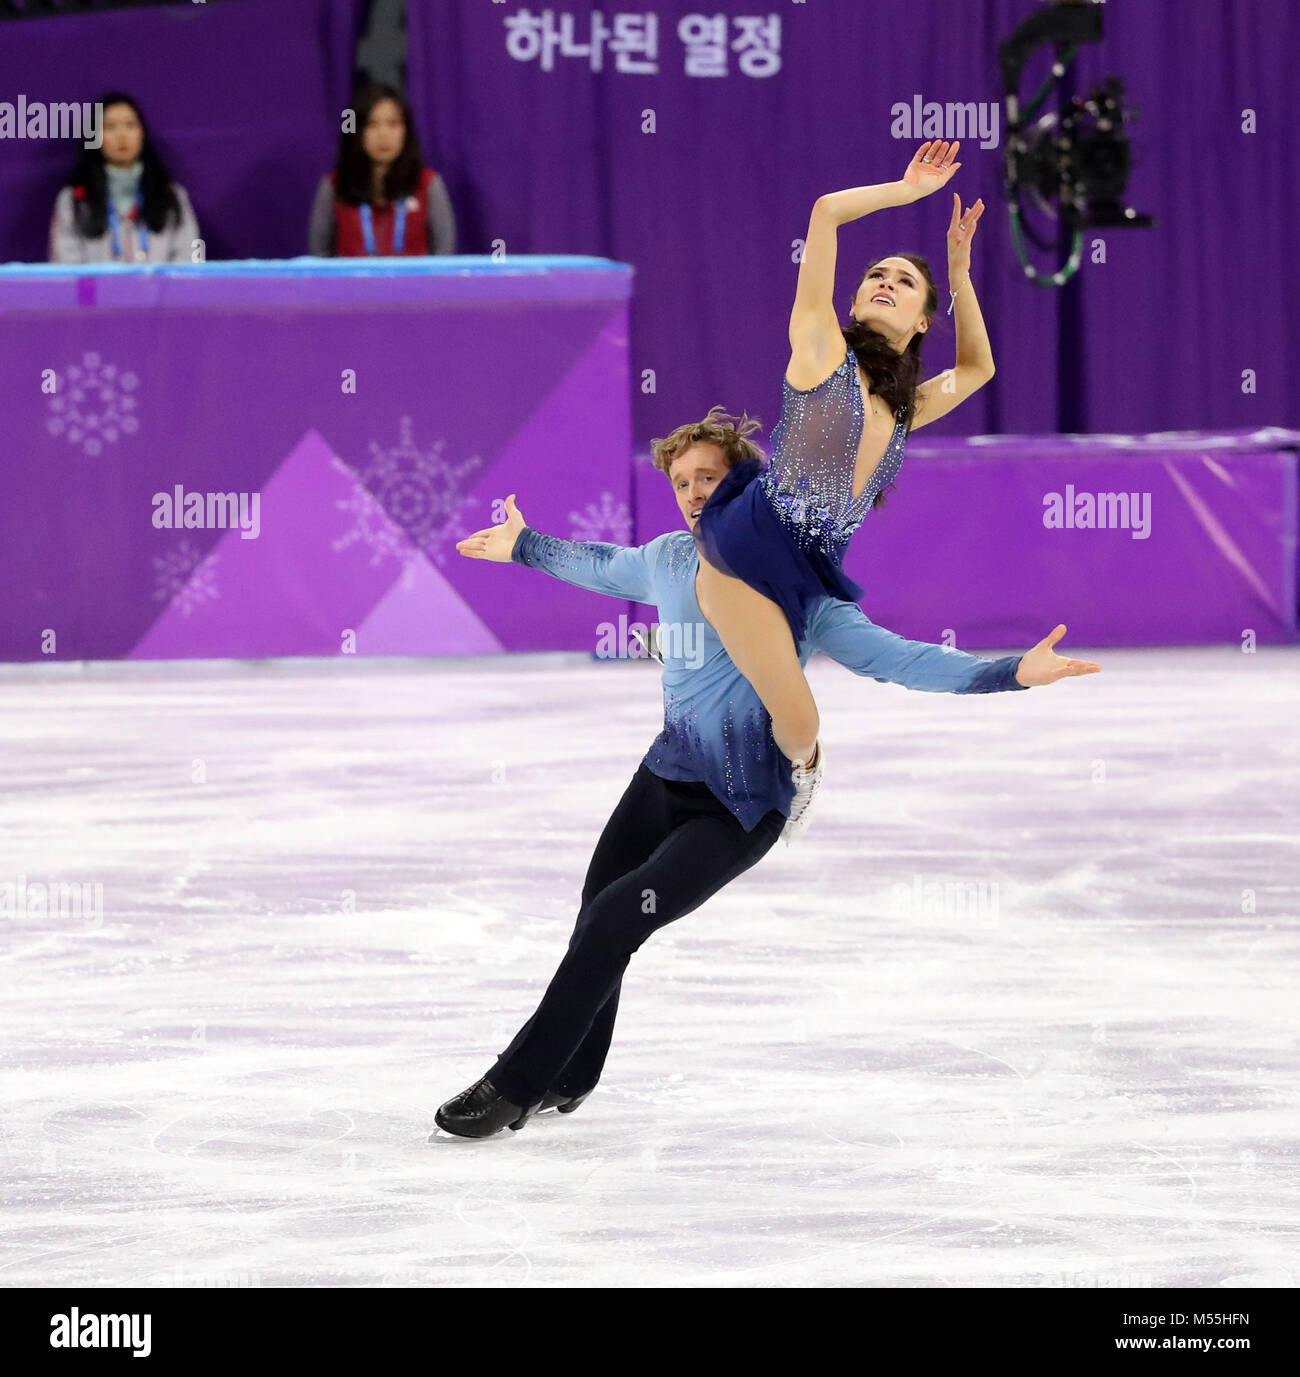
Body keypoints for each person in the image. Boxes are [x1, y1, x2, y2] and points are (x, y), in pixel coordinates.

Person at [433, 407, 1100, 1139]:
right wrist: (524, 544)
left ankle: (515, 1085)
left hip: (738, 810)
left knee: (619, 919)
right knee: (598, 910)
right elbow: (599, 563)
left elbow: (900, 657)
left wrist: (1012, 672)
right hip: (664, 776)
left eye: (708, 478)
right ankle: (573, 1071)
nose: (692, 492)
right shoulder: (667, 559)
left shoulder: (795, 592)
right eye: (682, 481)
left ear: (742, 488)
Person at [693, 140, 988, 833]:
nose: (887, 280)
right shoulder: (821, 345)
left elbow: (975, 368)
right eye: (876, 275)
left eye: (906, 283)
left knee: (786, 726)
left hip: (808, 580)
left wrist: (958, 270)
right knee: (741, 714)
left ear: (923, 321)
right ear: (853, 300)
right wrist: (908, 192)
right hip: (748, 549)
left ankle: (792, 768)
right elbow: (825, 213)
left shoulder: (910, 401)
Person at [49, 92, 200, 264]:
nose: (122, 135)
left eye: (130, 125)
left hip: (161, 291)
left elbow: (192, 259)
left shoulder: (173, 196)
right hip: (97, 291)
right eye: (110, 127)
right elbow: (66, 269)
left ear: (142, 133)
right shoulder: (73, 201)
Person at [309, 82, 455, 257]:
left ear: (406, 131)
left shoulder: (428, 184)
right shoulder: (334, 187)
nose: (384, 134)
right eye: (372, 124)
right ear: (357, 130)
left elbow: (444, 255)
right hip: (352, 284)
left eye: (393, 124)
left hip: (415, 285)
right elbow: (319, 258)